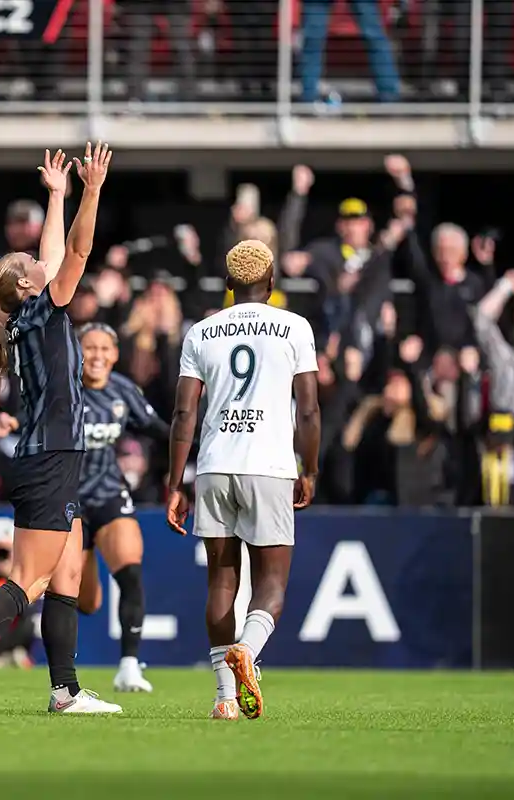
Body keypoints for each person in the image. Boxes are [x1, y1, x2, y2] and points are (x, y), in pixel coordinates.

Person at [0, 144, 123, 715]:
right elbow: (77, 250)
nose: (38, 259)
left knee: (67, 574)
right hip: (51, 456)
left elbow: (56, 256)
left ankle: (65, 691)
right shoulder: (43, 310)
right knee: (28, 581)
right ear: (29, 286)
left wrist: (56, 195)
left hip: (53, 453)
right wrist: (93, 189)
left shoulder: (31, 309)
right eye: (30, 263)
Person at [166, 239, 320, 721]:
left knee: (221, 583)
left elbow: (184, 411)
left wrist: (176, 482)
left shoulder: (203, 331)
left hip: (214, 465)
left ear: (228, 285)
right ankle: (248, 651)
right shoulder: (294, 326)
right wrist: (309, 467)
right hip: (270, 466)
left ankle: (224, 699)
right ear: (272, 283)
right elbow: (310, 409)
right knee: (271, 585)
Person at [68, 321, 168, 692]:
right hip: (68, 500)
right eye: (89, 348)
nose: (96, 355)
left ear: (114, 355)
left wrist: (198, 437)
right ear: (78, 353)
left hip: (110, 493)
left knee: (130, 572)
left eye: (103, 349)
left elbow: (157, 428)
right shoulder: (64, 389)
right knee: (88, 602)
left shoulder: (124, 391)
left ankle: (129, 665)